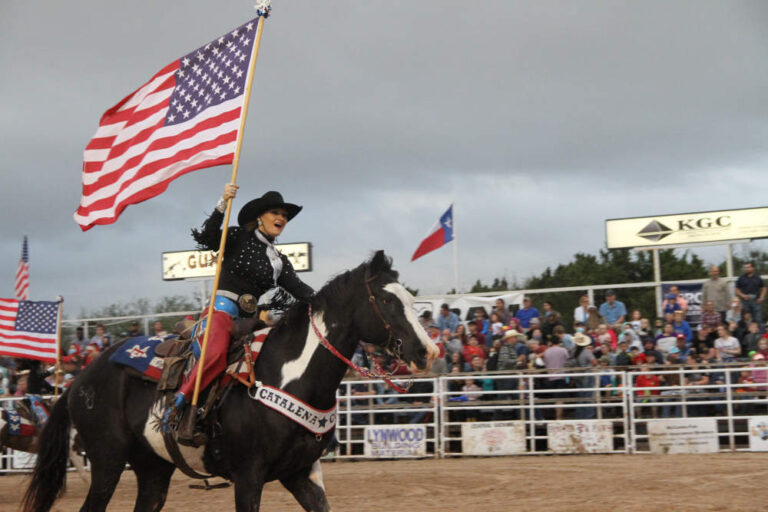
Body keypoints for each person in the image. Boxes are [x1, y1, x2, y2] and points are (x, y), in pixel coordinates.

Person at [164, 186, 314, 442]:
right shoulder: (236, 237)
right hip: (221, 310)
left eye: (285, 215)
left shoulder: (279, 261)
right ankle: (179, 408)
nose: (282, 218)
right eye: (275, 212)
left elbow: (301, 290)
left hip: (250, 320)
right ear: (259, 217)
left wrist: (329, 301)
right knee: (216, 353)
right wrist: (222, 202)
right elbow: (209, 237)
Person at [736, 262, 765, 331]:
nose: (746, 269)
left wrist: (761, 297)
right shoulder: (741, 278)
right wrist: (742, 295)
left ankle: (763, 338)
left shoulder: (758, 277)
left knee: (758, 320)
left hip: (756, 301)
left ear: (752, 268)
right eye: (745, 267)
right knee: (746, 320)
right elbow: (736, 289)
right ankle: (748, 338)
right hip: (745, 302)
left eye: (748, 267)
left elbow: (764, 288)